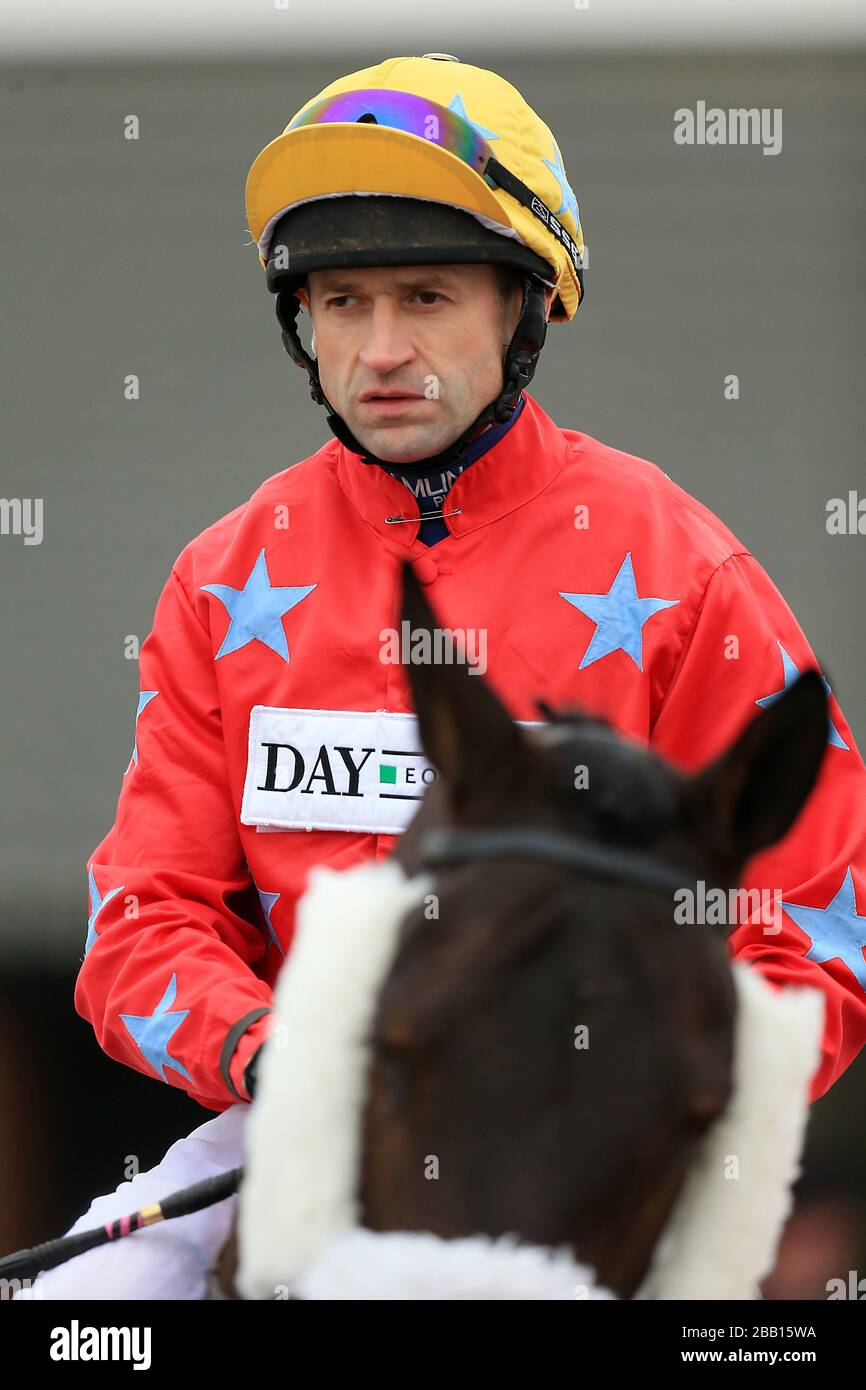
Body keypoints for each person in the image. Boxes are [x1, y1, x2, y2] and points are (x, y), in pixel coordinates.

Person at [78, 55, 866, 1123]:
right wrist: (273, 1057)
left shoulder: (683, 572)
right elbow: (143, 917)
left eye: (428, 297)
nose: (381, 351)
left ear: (522, 309)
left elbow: (810, 931)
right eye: (343, 303)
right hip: (299, 1133)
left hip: (596, 1162)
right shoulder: (222, 580)